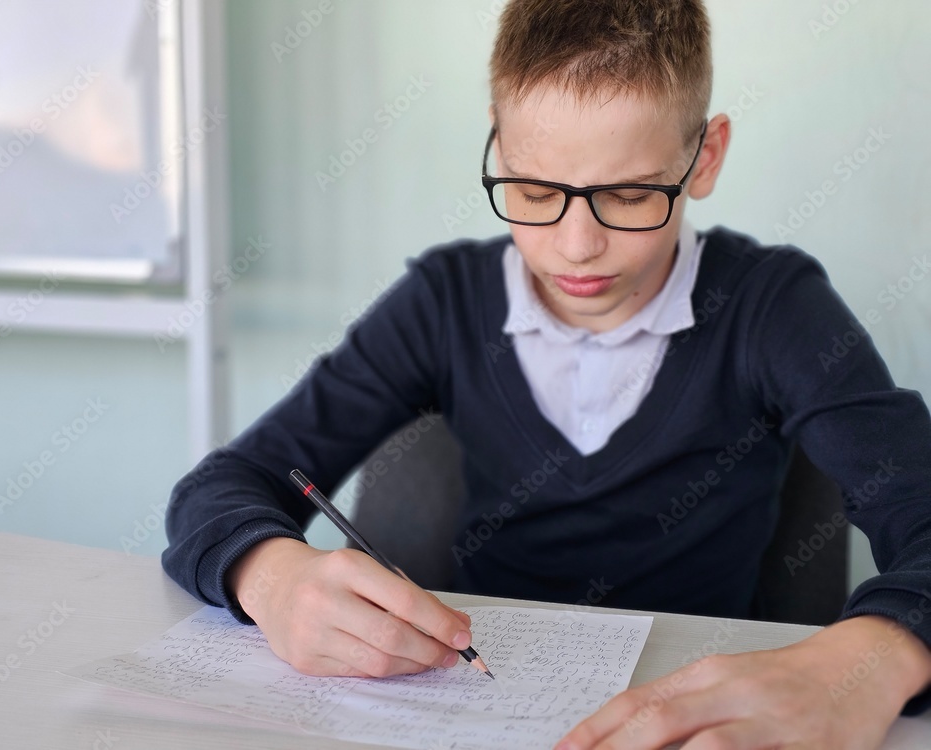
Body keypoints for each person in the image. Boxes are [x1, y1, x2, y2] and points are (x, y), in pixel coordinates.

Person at [162, 1, 931, 747]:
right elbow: (226, 484)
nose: (575, 246)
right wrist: (270, 575)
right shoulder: (444, 302)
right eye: (534, 192)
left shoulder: (773, 308)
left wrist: (873, 656)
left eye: (627, 195)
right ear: (499, 148)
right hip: (470, 705)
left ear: (706, 157)